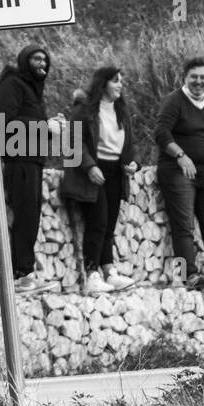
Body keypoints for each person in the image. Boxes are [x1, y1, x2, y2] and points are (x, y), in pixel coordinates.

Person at [154, 57, 204, 293]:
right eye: (194, 77)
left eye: (203, 77)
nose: (198, 82)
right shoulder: (174, 101)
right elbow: (161, 132)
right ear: (185, 78)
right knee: (183, 226)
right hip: (178, 171)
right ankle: (187, 277)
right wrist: (181, 156)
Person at [0, 45, 67, 293]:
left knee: (31, 218)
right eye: (36, 59)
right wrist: (45, 126)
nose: (42, 63)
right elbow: (5, 121)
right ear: (25, 61)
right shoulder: (13, 85)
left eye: (45, 60)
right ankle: (19, 276)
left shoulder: (32, 89)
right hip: (19, 161)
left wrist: (52, 126)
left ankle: (25, 275)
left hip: (33, 161)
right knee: (25, 218)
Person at [60, 65, 139, 293]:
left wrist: (133, 162)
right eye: (115, 81)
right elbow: (72, 141)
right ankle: (92, 273)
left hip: (116, 171)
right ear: (102, 83)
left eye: (121, 81)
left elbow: (130, 145)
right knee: (98, 222)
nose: (120, 85)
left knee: (110, 223)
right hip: (93, 172)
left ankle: (109, 270)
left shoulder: (121, 111)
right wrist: (89, 166)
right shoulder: (85, 110)